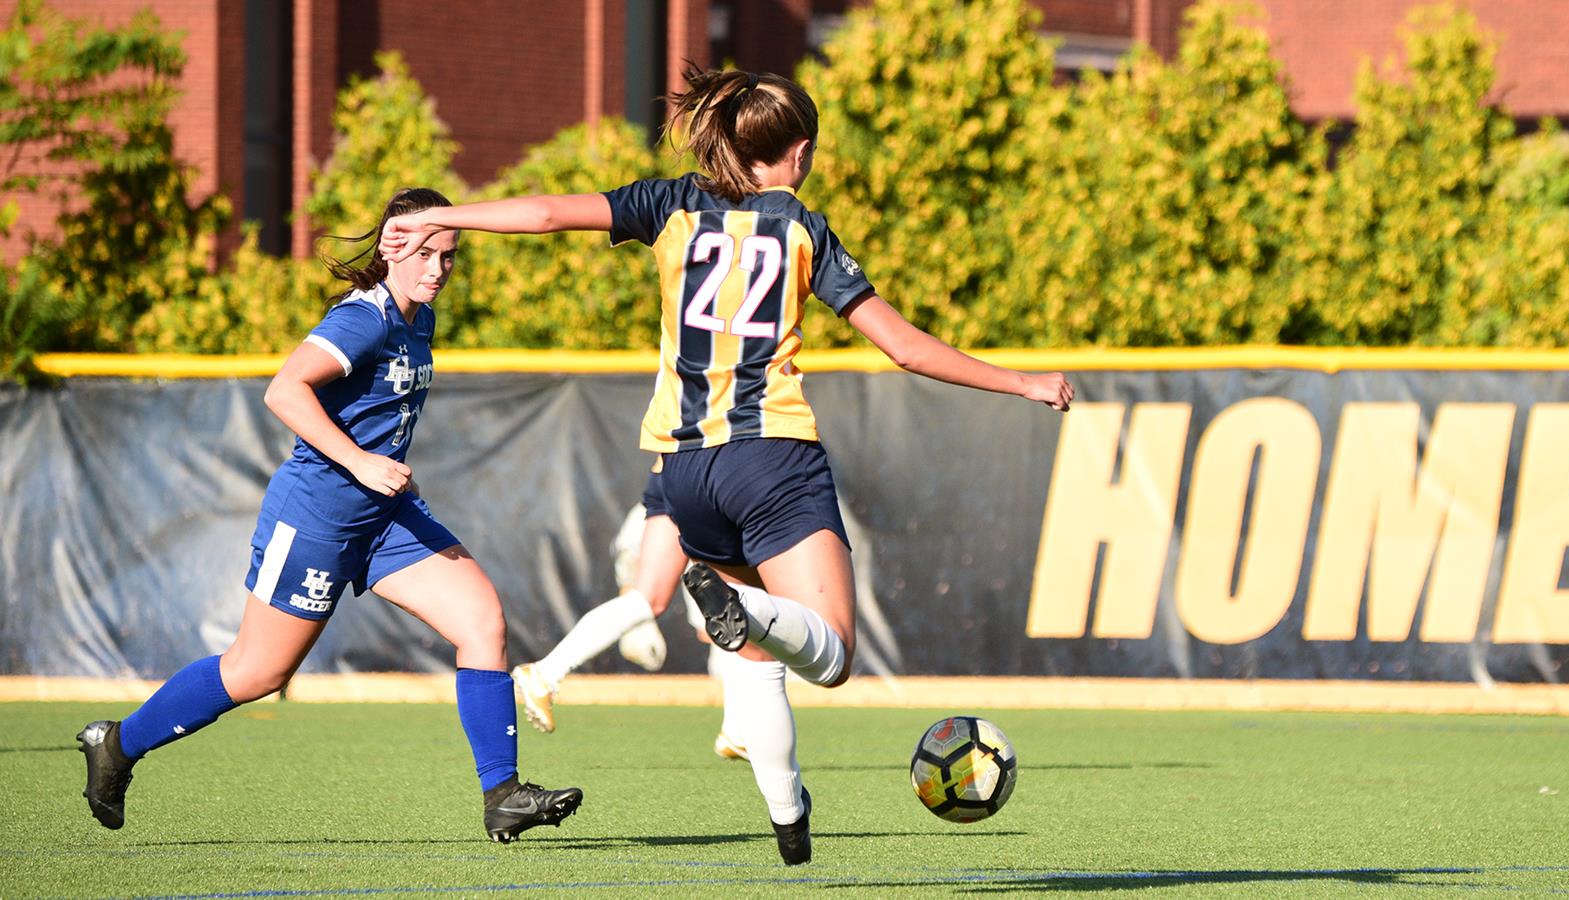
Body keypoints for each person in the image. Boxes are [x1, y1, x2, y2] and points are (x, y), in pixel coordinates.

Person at [380, 67, 1073, 865]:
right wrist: (1022, 380)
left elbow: (543, 214)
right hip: (772, 461)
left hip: (684, 476)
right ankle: (755, 653)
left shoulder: (669, 205)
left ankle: (789, 818)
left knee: (751, 657)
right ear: (799, 151)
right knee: (834, 655)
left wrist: (443, 216)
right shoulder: (806, 229)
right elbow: (905, 347)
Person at [75, 188, 584, 844]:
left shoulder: (418, 317)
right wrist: (360, 461)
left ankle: (503, 794)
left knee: (482, 619)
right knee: (257, 672)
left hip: (386, 519)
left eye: (449, 255)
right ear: (392, 245)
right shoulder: (363, 319)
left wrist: (386, 465)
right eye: (425, 252)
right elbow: (284, 389)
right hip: (316, 518)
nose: (438, 268)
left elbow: (380, 409)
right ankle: (117, 744)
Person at [511, 471, 751, 764]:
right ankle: (739, 729)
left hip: (681, 477)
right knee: (734, 605)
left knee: (660, 601)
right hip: (707, 479)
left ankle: (545, 673)